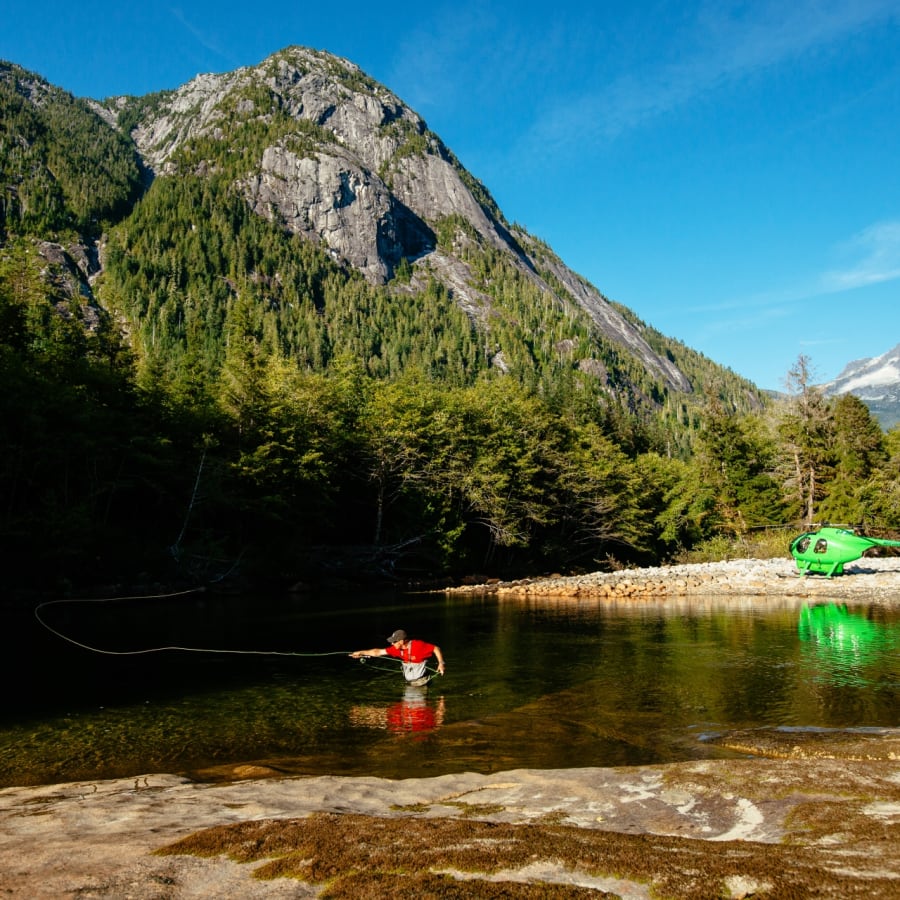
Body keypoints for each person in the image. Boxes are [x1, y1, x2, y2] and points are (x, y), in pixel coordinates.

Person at [350, 629, 446, 684]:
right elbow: (377, 652)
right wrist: (360, 652)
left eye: (394, 641)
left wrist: (441, 664)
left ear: (401, 641)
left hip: (422, 682)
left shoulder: (418, 645)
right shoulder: (396, 649)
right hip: (410, 683)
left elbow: (436, 648)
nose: (392, 643)